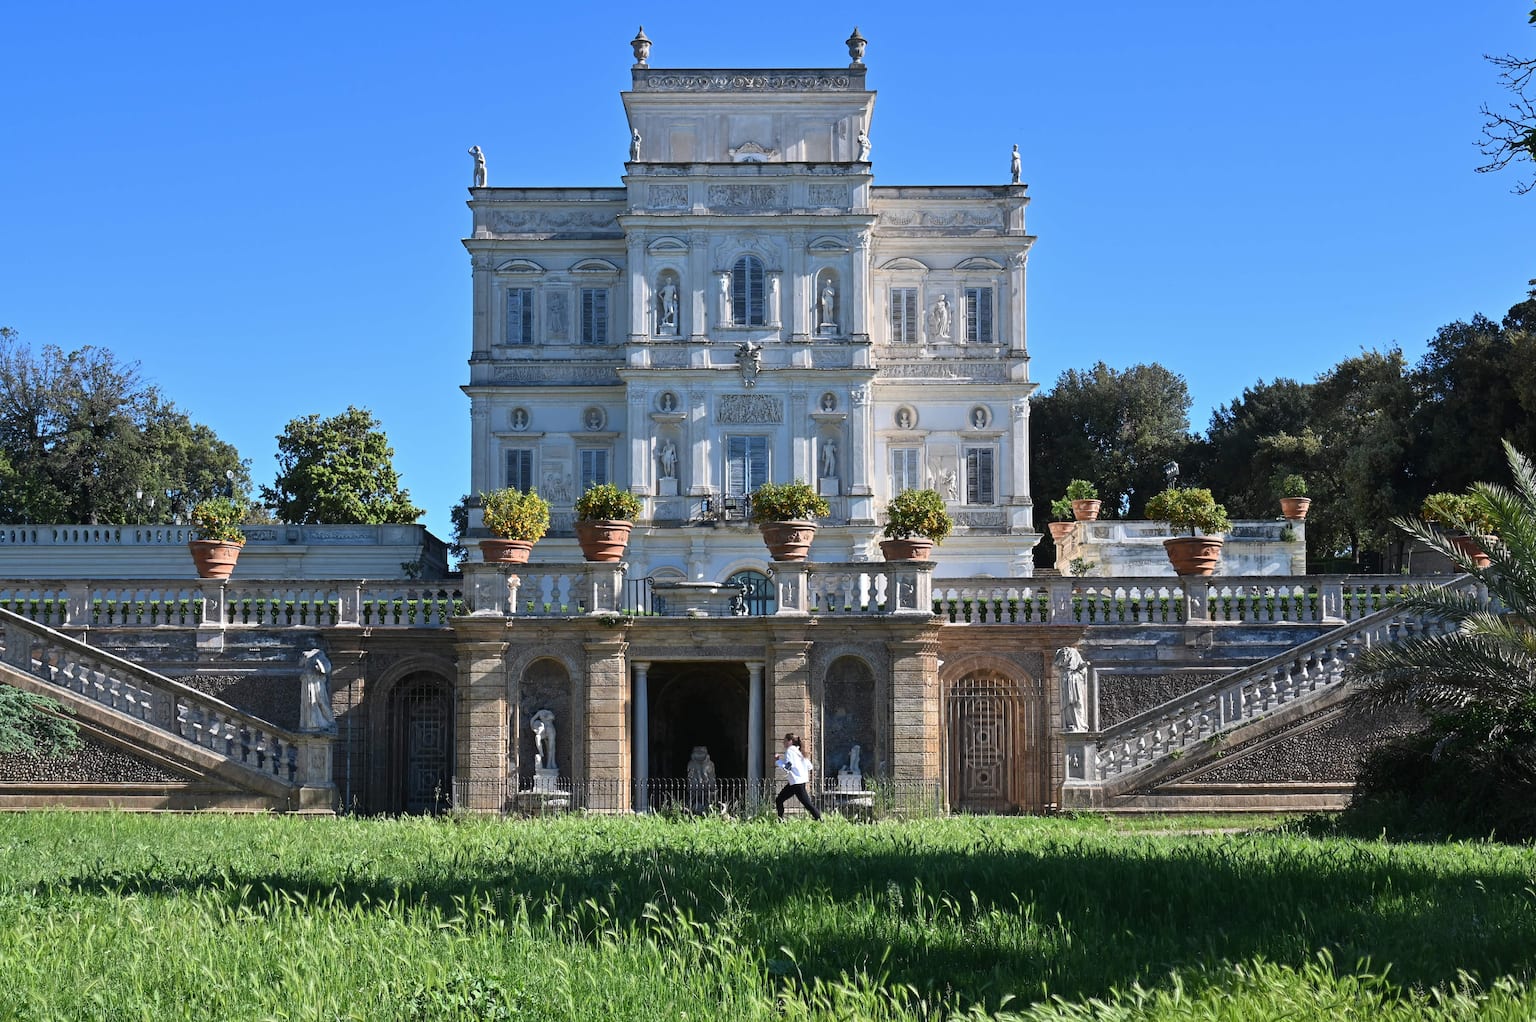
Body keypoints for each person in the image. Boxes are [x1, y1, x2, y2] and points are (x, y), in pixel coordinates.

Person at [774, 732, 822, 820]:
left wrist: (778, 761)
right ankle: (780, 820)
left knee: (807, 804)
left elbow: (788, 767)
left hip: (796, 782)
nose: (783, 743)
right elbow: (809, 766)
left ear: (790, 741)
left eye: (785, 741)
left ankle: (819, 819)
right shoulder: (799, 751)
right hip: (797, 782)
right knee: (779, 799)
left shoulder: (790, 751)